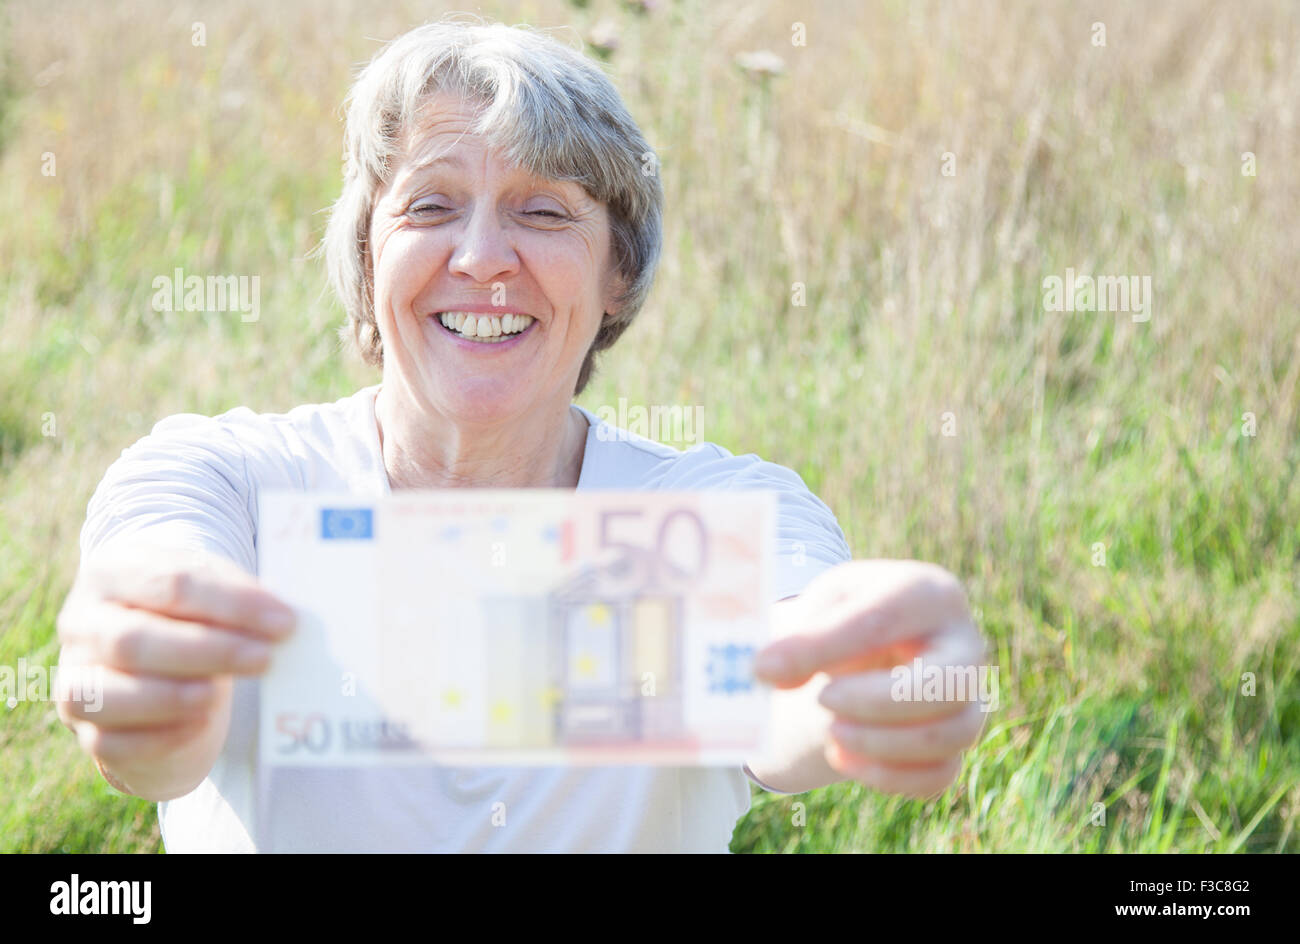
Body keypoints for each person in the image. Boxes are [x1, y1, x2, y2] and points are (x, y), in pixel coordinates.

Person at [54, 17, 988, 852]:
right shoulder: (225, 481)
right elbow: (151, 678)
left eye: (544, 212)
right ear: (368, 252)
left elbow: (785, 678)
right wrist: (144, 688)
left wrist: (868, 678)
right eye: (429, 206)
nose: (482, 258)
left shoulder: (714, 508)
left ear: (617, 275)